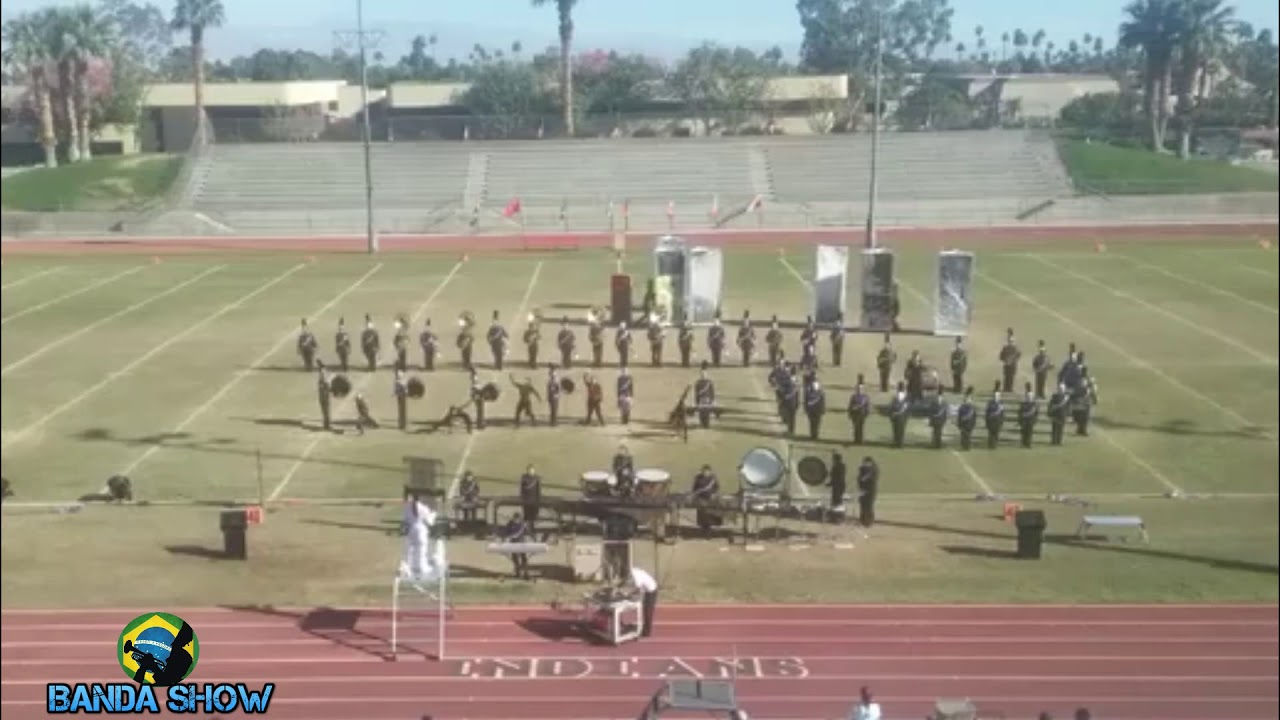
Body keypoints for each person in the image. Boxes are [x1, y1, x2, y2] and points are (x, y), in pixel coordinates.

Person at [499, 512, 531, 580]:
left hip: (521, 543)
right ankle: (518, 572)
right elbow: (506, 533)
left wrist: (526, 527)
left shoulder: (522, 524)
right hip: (513, 543)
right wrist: (504, 539)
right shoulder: (510, 524)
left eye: (518, 518)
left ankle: (526, 574)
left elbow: (528, 532)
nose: (517, 520)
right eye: (515, 518)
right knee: (515, 558)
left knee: (523, 559)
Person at [629, 565, 659, 638]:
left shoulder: (636, 576)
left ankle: (647, 632)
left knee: (648, 611)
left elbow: (638, 590)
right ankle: (645, 629)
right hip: (647, 589)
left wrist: (630, 595)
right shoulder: (633, 570)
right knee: (645, 610)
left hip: (652, 590)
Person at [690, 464, 721, 534]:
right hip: (701, 498)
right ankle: (704, 527)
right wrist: (696, 495)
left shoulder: (713, 479)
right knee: (703, 510)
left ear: (710, 472)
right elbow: (694, 489)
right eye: (704, 471)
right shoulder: (698, 478)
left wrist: (714, 494)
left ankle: (710, 526)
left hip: (711, 498)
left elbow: (717, 488)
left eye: (707, 471)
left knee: (712, 510)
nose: (706, 473)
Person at [856, 457, 879, 528]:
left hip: (870, 490)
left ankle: (868, 522)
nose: (864, 464)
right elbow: (860, 479)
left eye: (865, 463)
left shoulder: (874, 469)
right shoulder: (862, 469)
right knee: (862, 505)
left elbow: (867, 477)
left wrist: (863, 478)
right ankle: (862, 520)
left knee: (868, 506)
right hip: (863, 489)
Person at [848, 378, 871, 445]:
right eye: (858, 389)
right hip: (855, 415)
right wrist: (850, 412)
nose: (859, 390)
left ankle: (860, 440)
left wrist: (867, 413)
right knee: (856, 427)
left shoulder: (865, 397)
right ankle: (856, 439)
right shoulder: (853, 397)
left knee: (861, 427)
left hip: (862, 414)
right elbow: (850, 405)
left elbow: (867, 406)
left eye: (861, 389)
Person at [999, 328, 1021, 393]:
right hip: (1009, 364)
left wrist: (1009, 360)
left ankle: (1009, 388)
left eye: (1011, 341)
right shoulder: (1006, 347)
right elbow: (1001, 356)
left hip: (1011, 364)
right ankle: (1006, 388)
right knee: (1007, 376)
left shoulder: (1014, 348)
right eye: (1009, 341)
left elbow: (1018, 355)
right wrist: (1005, 360)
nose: (1010, 342)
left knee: (1010, 376)